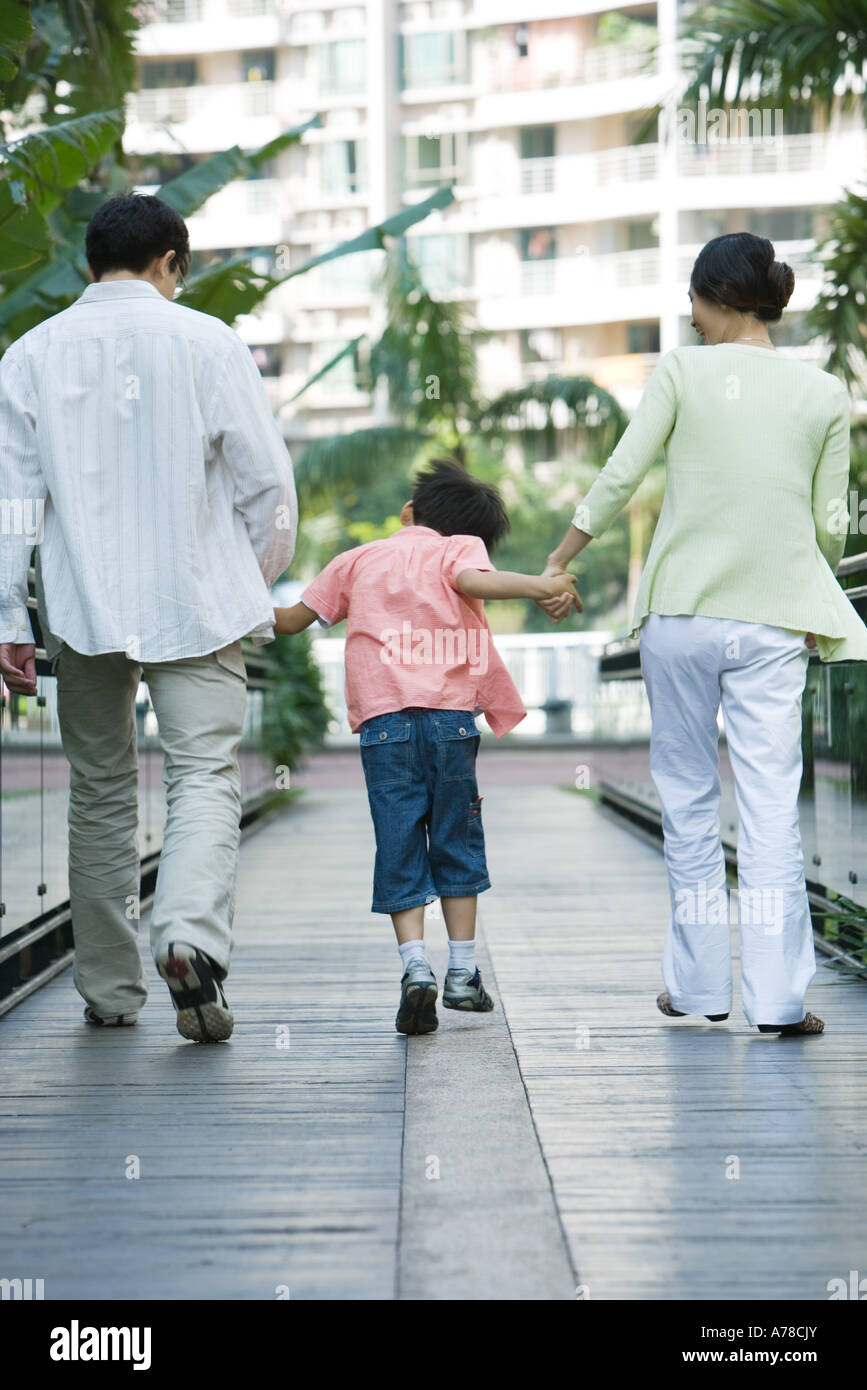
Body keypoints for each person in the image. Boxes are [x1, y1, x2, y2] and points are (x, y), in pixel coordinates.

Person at [543, 231, 867, 1036]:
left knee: (687, 802)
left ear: (717, 297)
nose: (688, 318)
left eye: (692, 300)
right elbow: (831, 528)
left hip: (681, 617)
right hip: (770, 622)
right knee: (766, 810)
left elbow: (622, 472)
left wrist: (561, 556)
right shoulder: (823, 395)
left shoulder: (681, 373)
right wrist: (802, 575)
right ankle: (779, 1001)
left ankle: (696, 989)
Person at [0, 192, 297, 1042]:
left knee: (97, 789)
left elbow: (11, 505)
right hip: (198, 595)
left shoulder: (31, 354)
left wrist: (8, 620)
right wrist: (254, 579)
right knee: (202, 772)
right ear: (172, 263)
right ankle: (186, 935)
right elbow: (267, 486)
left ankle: (108, 991)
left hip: (80, 601)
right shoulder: (208, 342)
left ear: (91, 263)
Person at [273, 459, 579, 1035]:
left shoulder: (356, 560)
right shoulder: (459, 549)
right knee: (457, 840)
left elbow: (290, 621)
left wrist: (216, 622)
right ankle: (462, 973)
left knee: (399, 843)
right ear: (472, 535)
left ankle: (416, 971)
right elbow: (472, 583)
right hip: (449, 726)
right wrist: (539, 585)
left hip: (385, 729)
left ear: (409, 513)